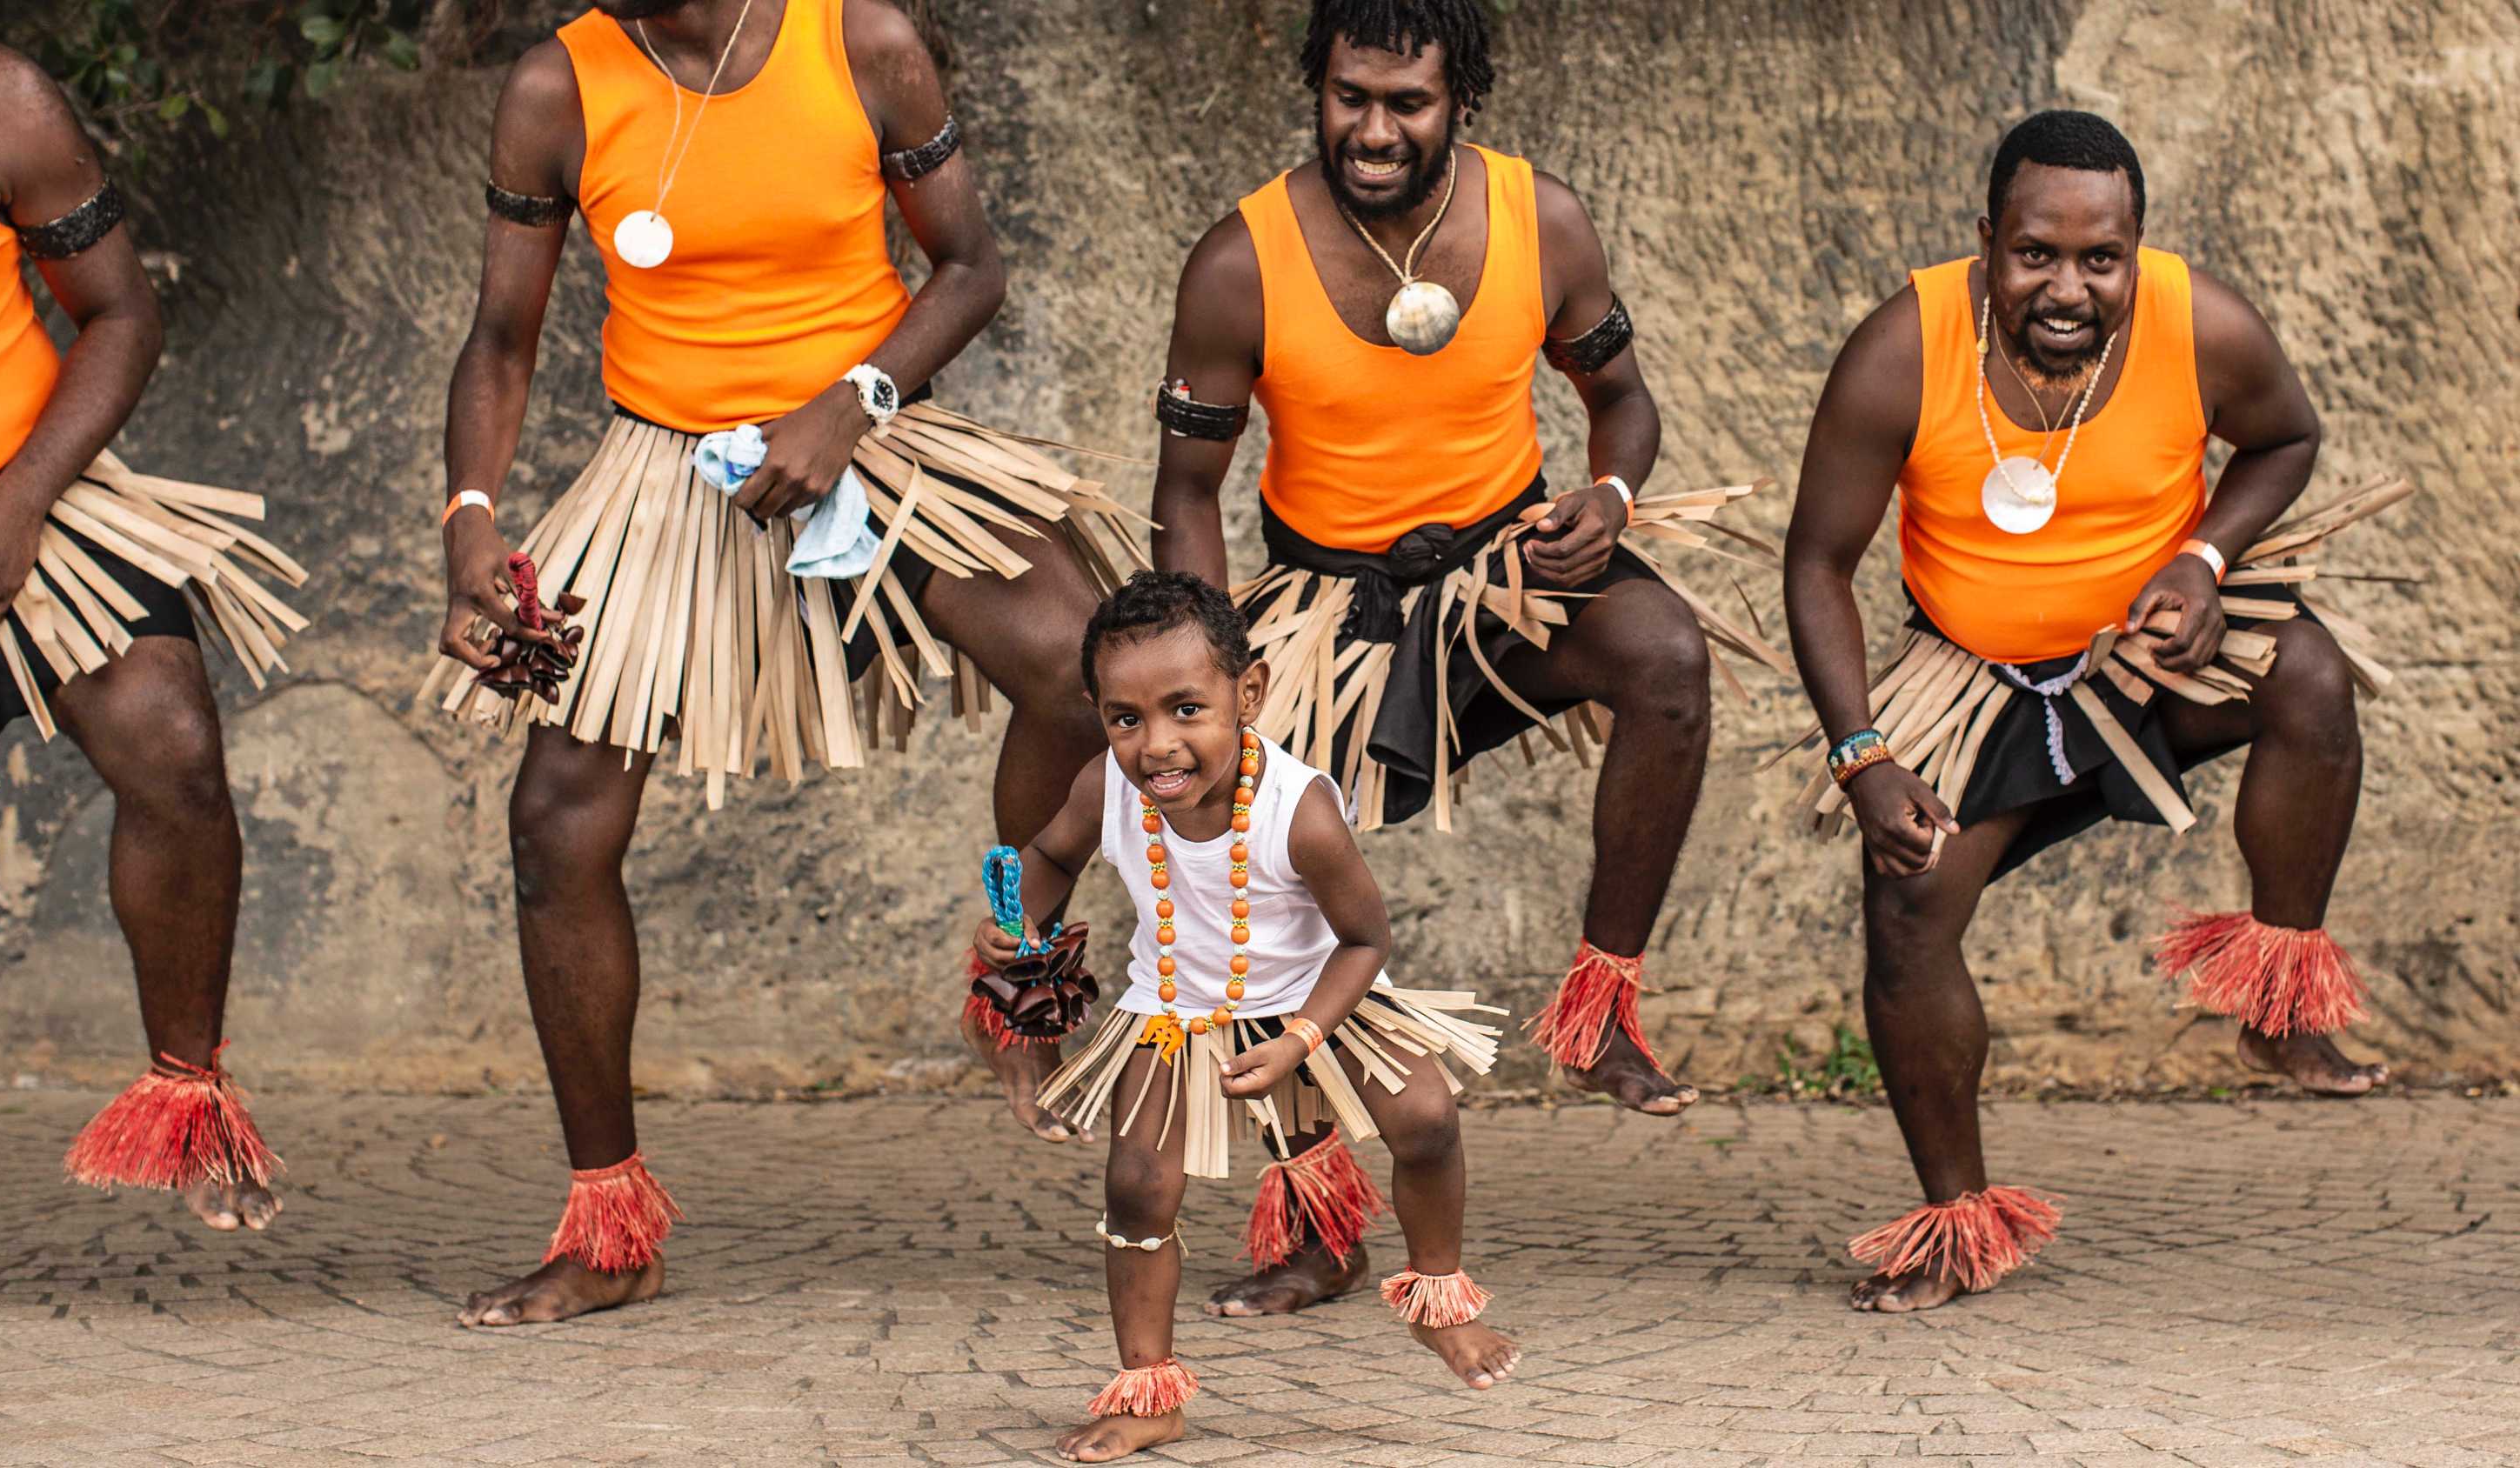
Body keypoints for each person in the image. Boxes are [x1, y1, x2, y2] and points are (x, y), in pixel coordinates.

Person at [419, 0, 1138, 1327]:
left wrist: (853, 403)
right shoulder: (556, 87)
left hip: (870, 439)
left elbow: (970, 268)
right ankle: (609, 1226)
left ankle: (1015, 963)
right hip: (664, 469)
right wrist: (471, 521)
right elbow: (501, 339)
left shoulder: (861, 41)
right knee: (556, 823)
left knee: (1086, 671)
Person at [1145, 0, 1785, 1317]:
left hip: (1509, 577)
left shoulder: (1542, 221)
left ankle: (1600, 1011)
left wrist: (1609, 498)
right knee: (1257, 869)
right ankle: (1318, 1223)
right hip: (1330, 610)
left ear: (1462, 101)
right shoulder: (1239, 261)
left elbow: (1623, 401)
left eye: (1408, 103)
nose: (1374, 130)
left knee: (1666, 655)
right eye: (1351, 97)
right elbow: (1188, 488)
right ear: (1318, 88)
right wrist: (1215, 671)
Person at [1781, 110, 2410, 1313]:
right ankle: (1958, 1226)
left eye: (2099, 259)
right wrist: (1862, 752)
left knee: (2310, 675)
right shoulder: (1903, 349)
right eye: (2035, 255)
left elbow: (2287, 439)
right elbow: (1817, 561)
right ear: (1987, 241)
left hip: (2149, 652)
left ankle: (2278, 1004)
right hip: (1974, 680)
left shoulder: (2202, 322)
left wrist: (2206, 561)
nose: (2067, 289)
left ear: (2136, 250)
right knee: (1909, 904)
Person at [0, 9, 310, 1231]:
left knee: (170, 738)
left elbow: (123, 313)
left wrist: (18, 504)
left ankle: (188, 1094)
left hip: (11, 503)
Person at [994, 572, 1515, 1463]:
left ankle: (1439, 1297)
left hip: (1319, 997)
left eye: (1186, 709)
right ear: (1099, 717)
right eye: (1125, 718)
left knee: (1427, 1118)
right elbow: (1046, 854)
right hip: (1172, 1010)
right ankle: (1149, 1391)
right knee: (1137, 1187)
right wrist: (1018, 922)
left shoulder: (1298, 809)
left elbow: (1365, 939)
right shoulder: (1104, 786)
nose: (1158, 744)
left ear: (1249, 693)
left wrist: (1301, 1038)